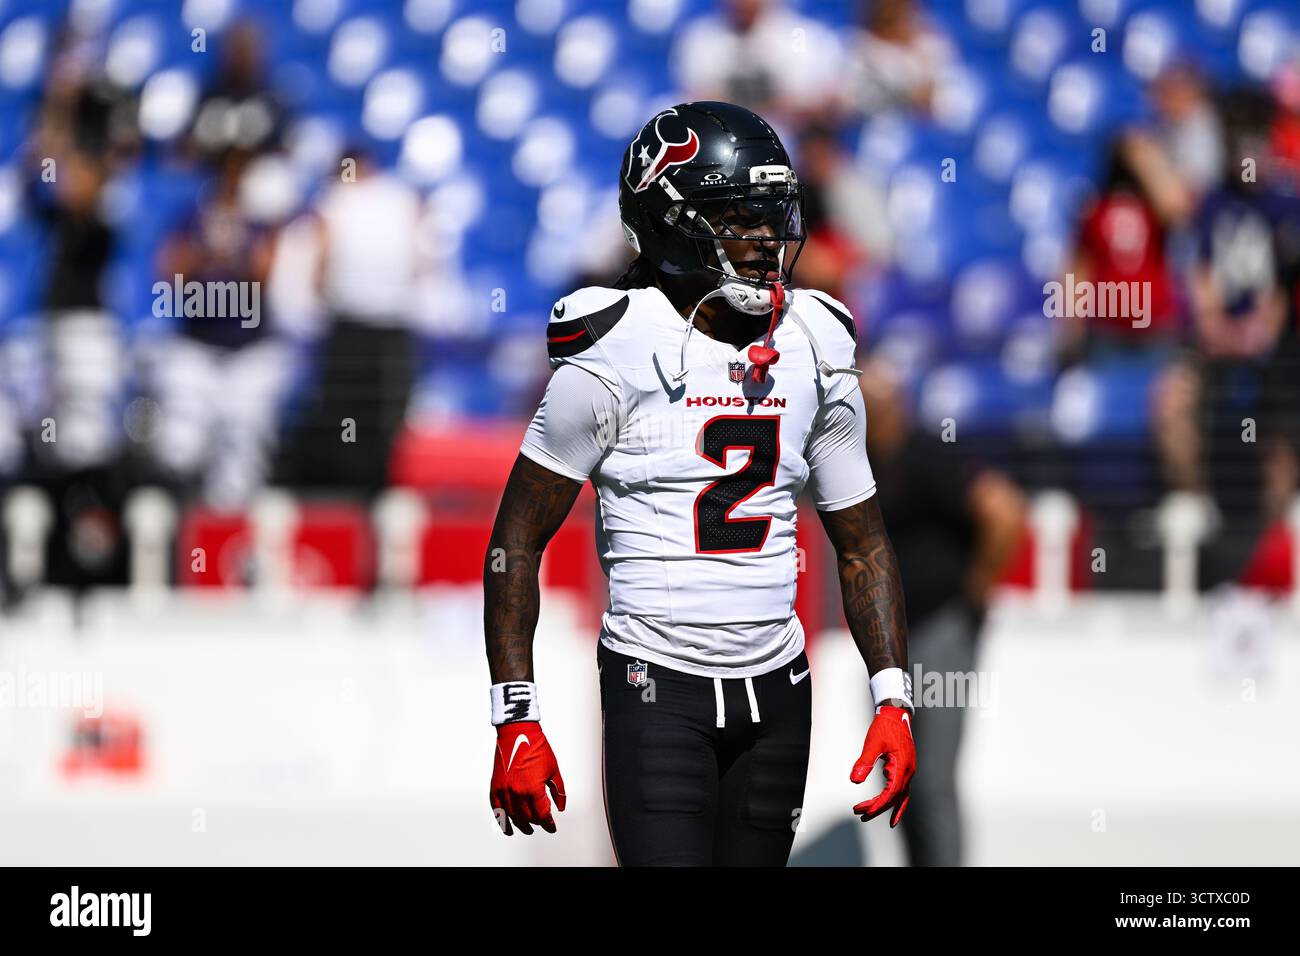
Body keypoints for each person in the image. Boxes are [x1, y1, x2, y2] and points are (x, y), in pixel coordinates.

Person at [483, 102, 915, 866]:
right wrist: (516, 715)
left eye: (772, 216)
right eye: (737, 218)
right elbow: (516, 541)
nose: (764, 242)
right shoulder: (615, 346)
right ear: (671, 221)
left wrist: (894, 696)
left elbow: (863, 543)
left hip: (780, 689)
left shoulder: (816, 339)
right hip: (658, 686)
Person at [860, 357, 1026, 866]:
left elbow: (1005, 510)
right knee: (899, 773)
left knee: (932, 780)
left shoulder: (924, 455)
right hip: (894, 644)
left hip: (938, 630)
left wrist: (973, 591)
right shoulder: (864, 463)